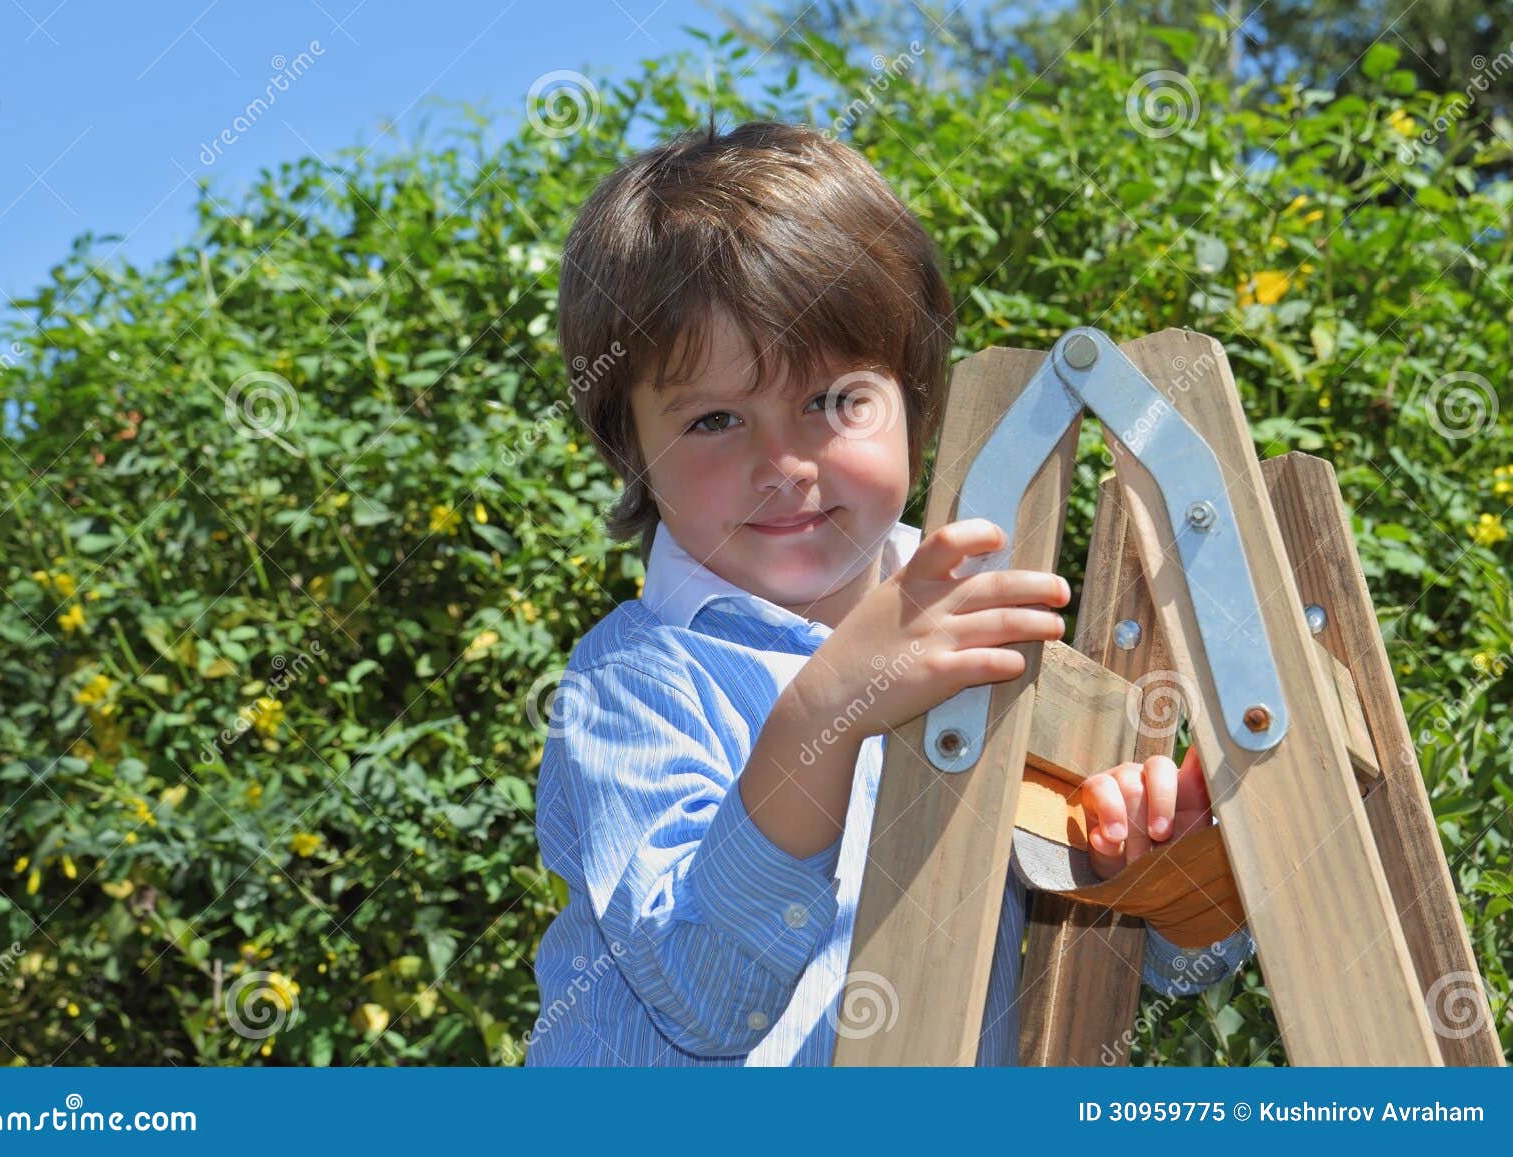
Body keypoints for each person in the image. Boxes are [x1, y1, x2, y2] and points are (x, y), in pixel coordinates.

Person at [526, 120, 1254, 1067]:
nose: (782, 466)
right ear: (632, 449)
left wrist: (1160, 868)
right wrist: (825, 710)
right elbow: (705, 997)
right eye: (711, 418)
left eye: (832, 401)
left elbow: (1171, 972)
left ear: (916, 403)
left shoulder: (988, 644)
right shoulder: (635, 684)